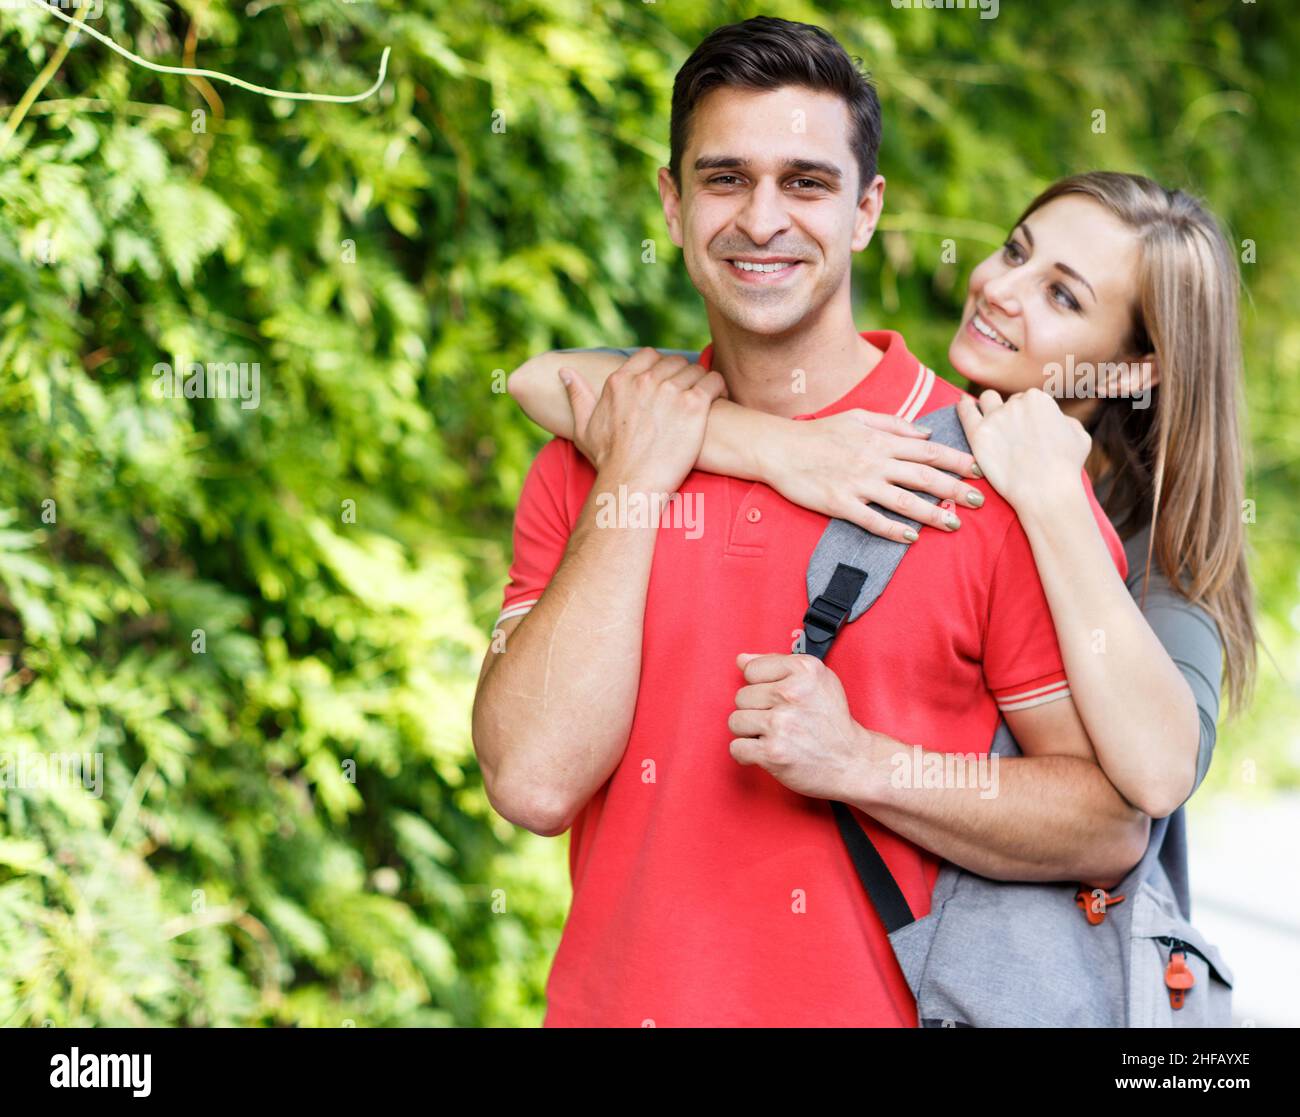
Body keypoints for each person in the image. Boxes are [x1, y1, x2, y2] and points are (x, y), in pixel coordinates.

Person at [473, 17, 1153, 1028]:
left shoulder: (978, 475)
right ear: (671, 203)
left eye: (805, 182)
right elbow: (531, 780)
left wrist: (864, 764)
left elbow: (1104, 820)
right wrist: (648, 463)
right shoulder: (593, 456)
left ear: (866, 209)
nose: (760, 220)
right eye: (723, 178)